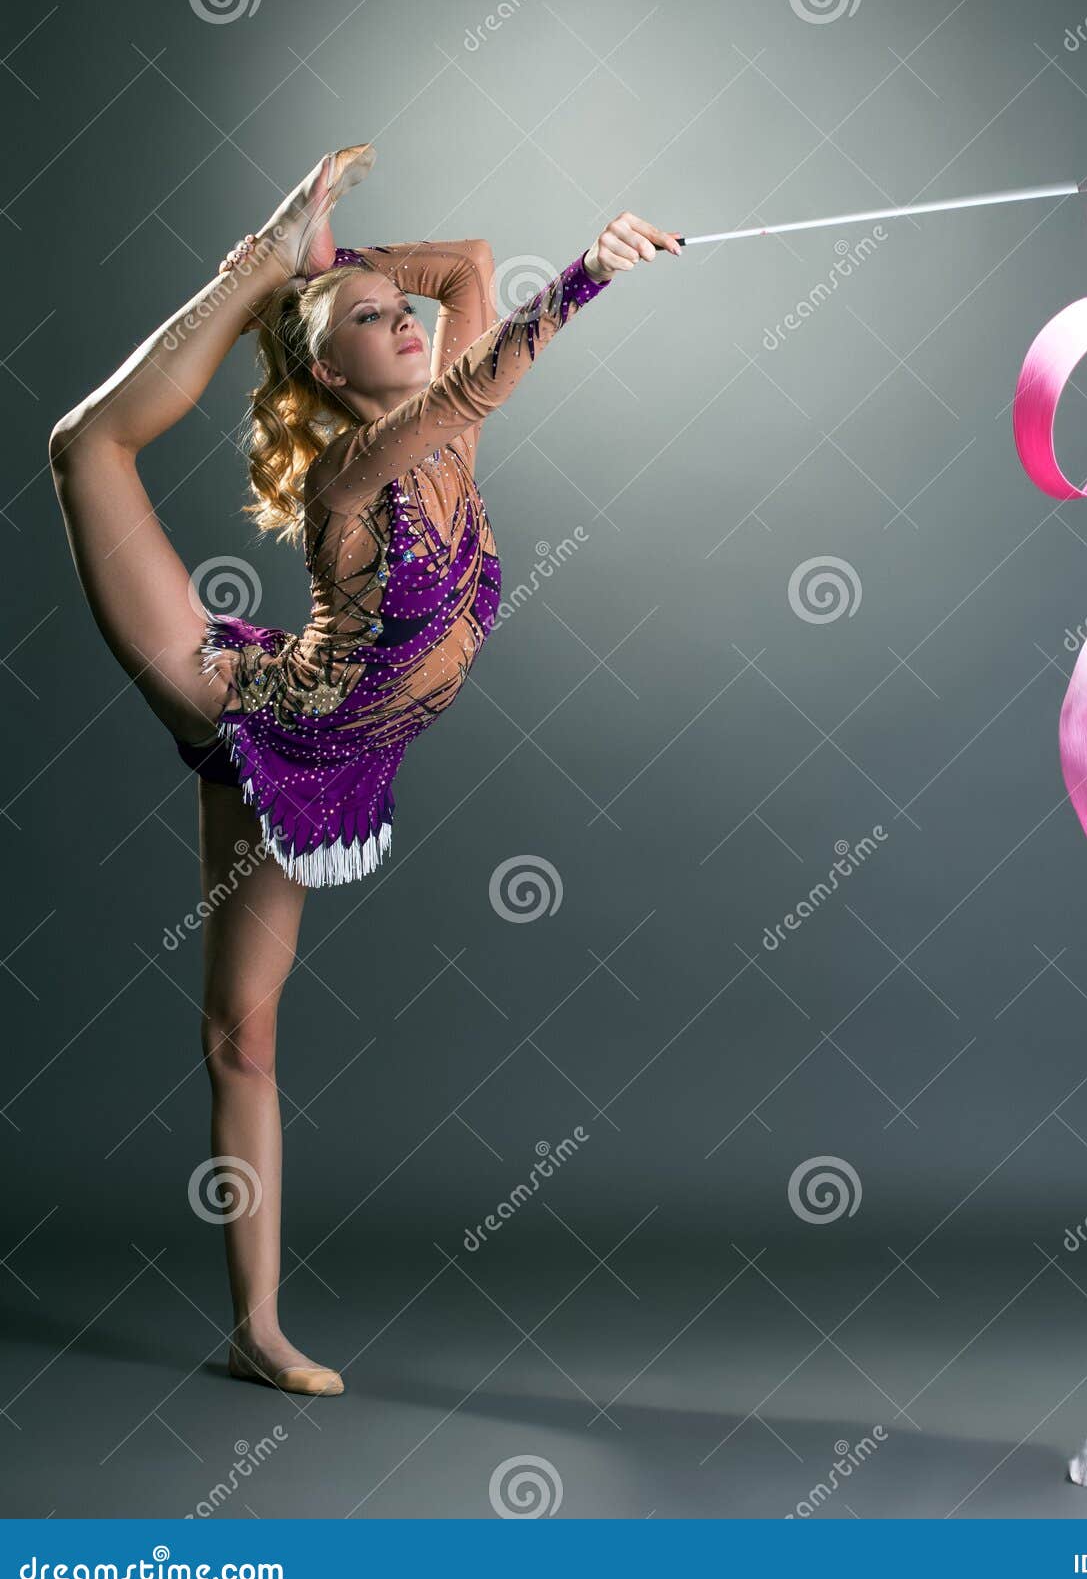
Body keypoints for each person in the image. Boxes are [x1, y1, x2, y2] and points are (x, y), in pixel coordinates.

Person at [49, 142, 679, 1393]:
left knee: (242, 1041)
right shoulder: (355, 471)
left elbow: (469, 270)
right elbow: (471, 382)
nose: (408, 318)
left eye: (406, 316)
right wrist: (578, 286)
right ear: (327, 371)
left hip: (330, 758)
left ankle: (249, 1331)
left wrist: (333, 262)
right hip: (250, 717)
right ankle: (250, 271)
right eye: (370, 321)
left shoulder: (435, 416)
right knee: (83, 449)